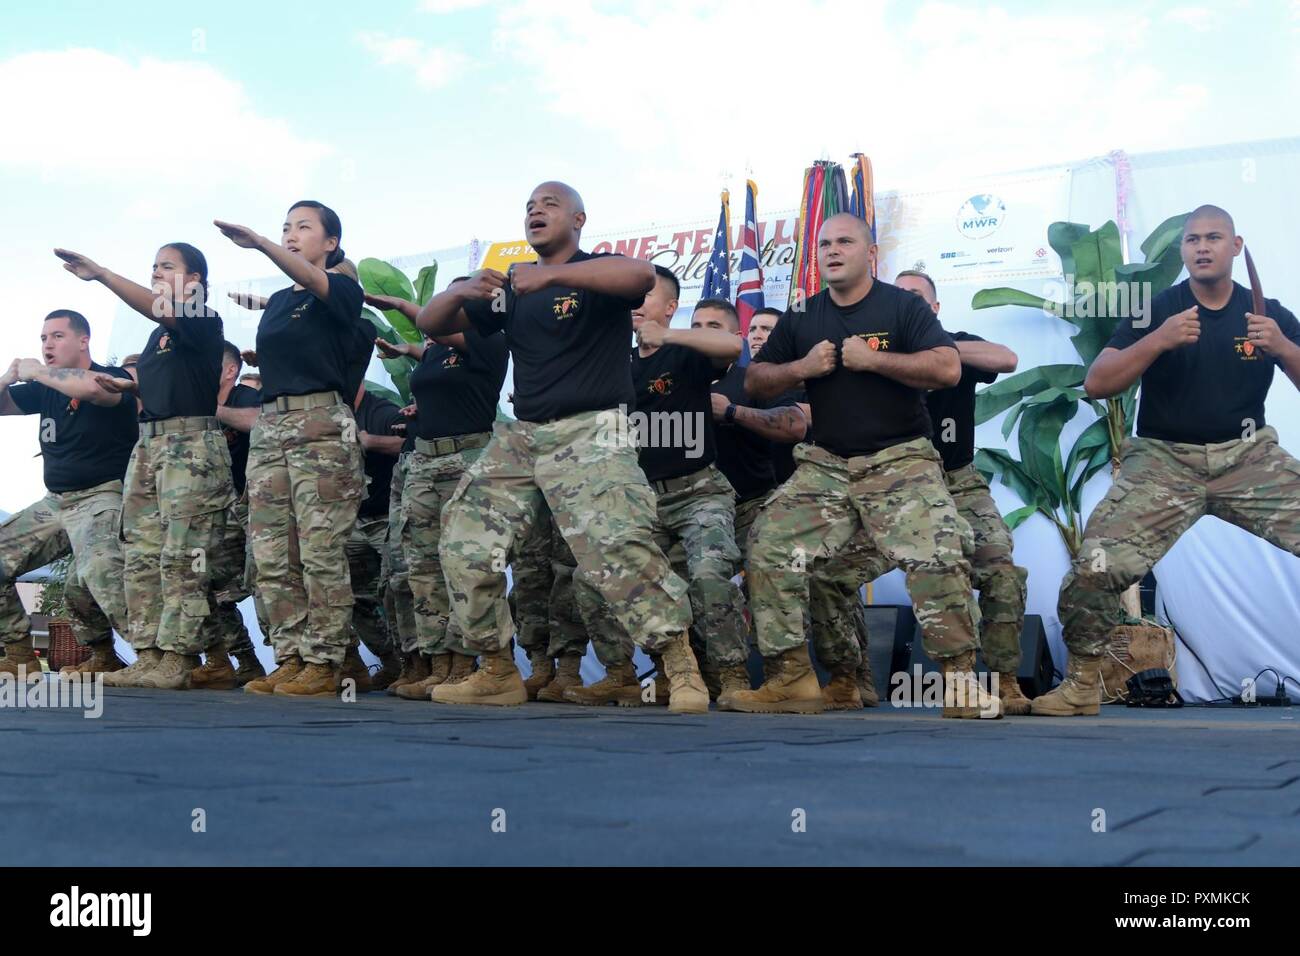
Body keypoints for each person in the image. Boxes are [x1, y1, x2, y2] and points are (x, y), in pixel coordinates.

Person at [418, 181, 709, 712]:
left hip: (592, 430)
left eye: (549, 204)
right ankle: (497, 669)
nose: (536, 211)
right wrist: (461, 292)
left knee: (618, 547)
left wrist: (551, 275)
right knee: (464, 541)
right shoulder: (512, 288)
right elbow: (430, 323)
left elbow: (640, 277)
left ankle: (680, 664)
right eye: (529, 206)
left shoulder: (597, 273)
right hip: (524, 436)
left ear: (578, 219)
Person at [726, 213, 1000, 718]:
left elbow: (947, 367)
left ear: (870, 254)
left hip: (901, 459)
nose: (832, 250)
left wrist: (875, 360)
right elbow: (755, 381)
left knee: (937, 555)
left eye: (845, 242)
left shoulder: (902, 306)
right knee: (767, 547)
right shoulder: (804, 314)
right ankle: (793, 677)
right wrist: (801, 368)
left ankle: (961, 682)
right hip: (827, 464)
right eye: (824, 243)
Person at [1038, 204, 1300, 716]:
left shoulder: (1266, 312)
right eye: (1193, 240)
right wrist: (1159, 340)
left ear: (1235, 246)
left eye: (1214, 238)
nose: (1202, 247)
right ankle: (1081, 685)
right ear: (1183, 250)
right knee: (1095, 566)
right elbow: (1098, 381)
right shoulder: (1158, 310)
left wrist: (1284, 348)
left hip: (1248, 457)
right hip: (1163, 462)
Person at [807, 270, 1032, 714]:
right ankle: (849, 679)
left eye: (916, 297)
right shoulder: (868, 348)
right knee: (826, 575)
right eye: (900, 297)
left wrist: (936, 351)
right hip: (887, 490)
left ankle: (1004, 681)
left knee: (1002, 572)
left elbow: (1006, 358)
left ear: (934, 308)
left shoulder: (954, 342)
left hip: (957, 485)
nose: (905, 303)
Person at [52, 244, 235, 690]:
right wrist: (130, 387)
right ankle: (150, 653)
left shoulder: (202, 318)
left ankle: (179, 657)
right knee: (141, 556)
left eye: (167, 266)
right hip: (150, 446)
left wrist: (102, 273)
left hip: (190, 448)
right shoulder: (158, 337)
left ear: (194, 280)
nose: (156, 272)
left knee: (184, 557)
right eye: (153, 266)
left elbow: (162, 314)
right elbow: (172, 383)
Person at [214, 200, 370, 698]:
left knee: (320, 549)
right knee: (271, 552)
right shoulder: (281, 301)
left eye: (304, 227)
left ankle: (326, 661)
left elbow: (317, 287)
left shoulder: (343, 289)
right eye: (285, 228)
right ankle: (293, 656)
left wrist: (261, 244)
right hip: (271, 428)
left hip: (320, 425)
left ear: (331, 243)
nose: (291, 234)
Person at [367, 286, 509, 701]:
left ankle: (466, 663)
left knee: (464, 565)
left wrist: (398, 304)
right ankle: (438, 663)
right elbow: (433, 351)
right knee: (422, 568)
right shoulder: (433, 351)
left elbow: (435, 325)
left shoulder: (490, 339)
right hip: (424, 464)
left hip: (467, 461)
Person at [0, 311, 136, 679]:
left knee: (100, 573)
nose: (47, 344)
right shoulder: (45, 387)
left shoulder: (112, 376)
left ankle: (156, 655)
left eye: (57, 336)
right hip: (55, 502)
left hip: (102, 497)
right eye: (43, 338)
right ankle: (20, 656)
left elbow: (91, 390)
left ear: (83, 340)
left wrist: (37, 372)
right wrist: (7, 380)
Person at [190, 341, 269, 689]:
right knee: (204, 583)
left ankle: (298, 661)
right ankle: (240, 661)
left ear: (230, 371)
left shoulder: (245, 397)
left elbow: (258, 422)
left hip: (256, 509)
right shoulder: (192, 406)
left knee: (268, 579)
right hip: (215, 513)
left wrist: (213, 410)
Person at [747, 306, 811, 486]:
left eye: (766, 329)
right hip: (755, 487)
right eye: (752, 329)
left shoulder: (807, 380)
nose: (756, 335)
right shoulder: (740, 380)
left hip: (803, 486)